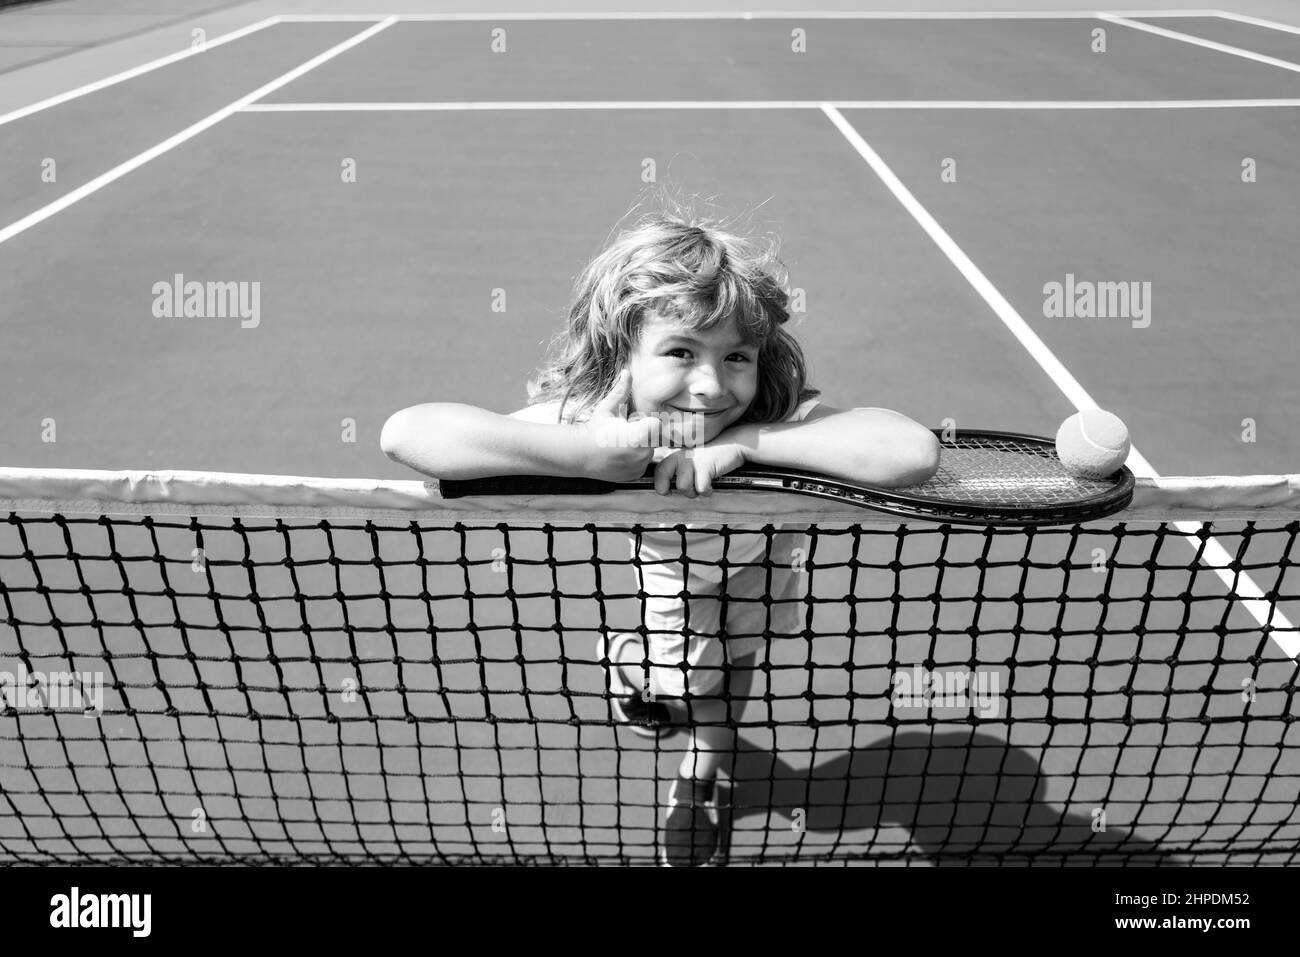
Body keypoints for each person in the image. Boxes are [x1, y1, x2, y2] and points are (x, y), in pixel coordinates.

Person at [381, 199, 939, 865]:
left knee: (738, 657)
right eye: (680, 351)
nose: (709, 386)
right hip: (676, 569)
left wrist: (746, 444)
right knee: (692, 682)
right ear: (620, 354)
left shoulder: (767, 413)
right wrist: (585, 455)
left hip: (762, 553)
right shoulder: (596, 419)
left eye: (736, 356)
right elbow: (408, 434)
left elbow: (910, 453)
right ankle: (633, 667)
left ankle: (698, 775)